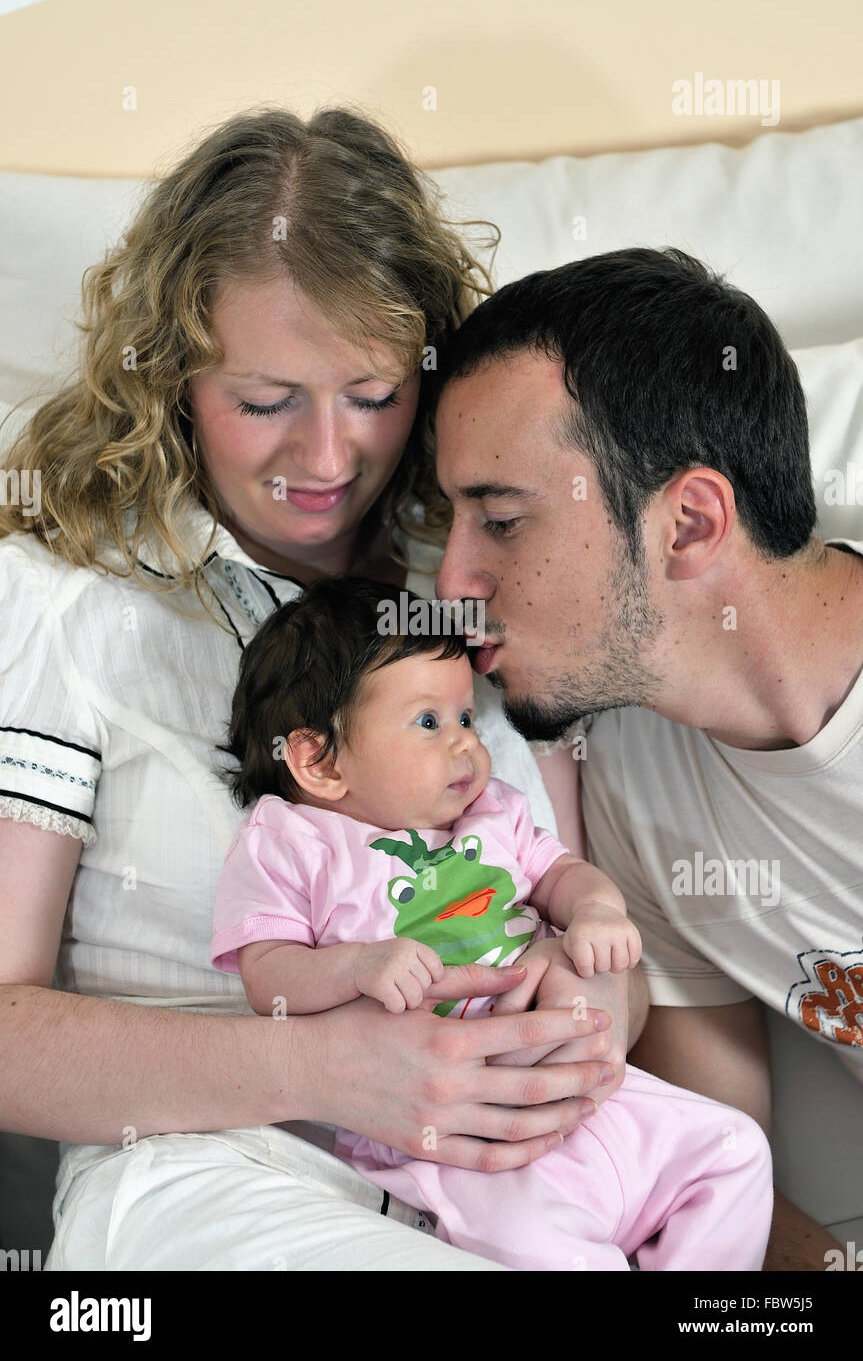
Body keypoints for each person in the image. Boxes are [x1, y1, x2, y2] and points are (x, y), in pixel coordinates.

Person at [0, 107, 644, 1271]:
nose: (328, 459)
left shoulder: (486, 560)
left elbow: (588, 924)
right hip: (222, 1170)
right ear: (171, 376)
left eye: (371, 392)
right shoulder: (59, 598)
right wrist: (324, 1063)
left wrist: (580, 1016)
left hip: (523, 1171)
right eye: (264, 402)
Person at [431, 245, 862, 1270]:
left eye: (499, 520)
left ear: (689, 523)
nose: (450, 578)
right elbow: (709, 1190)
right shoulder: (629, 785)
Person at [210, 575, 773, 1272]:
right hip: (464, 1142)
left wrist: (595, 911)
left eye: (466, 719)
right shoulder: (288, 842)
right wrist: (354, 965)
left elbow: (561, 875)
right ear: (318, 760)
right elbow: (269, 976)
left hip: (597, 1095)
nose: (466, 746)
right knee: (542, 1246)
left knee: (734, 1149)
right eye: (428, 723)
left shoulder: (494, 813)